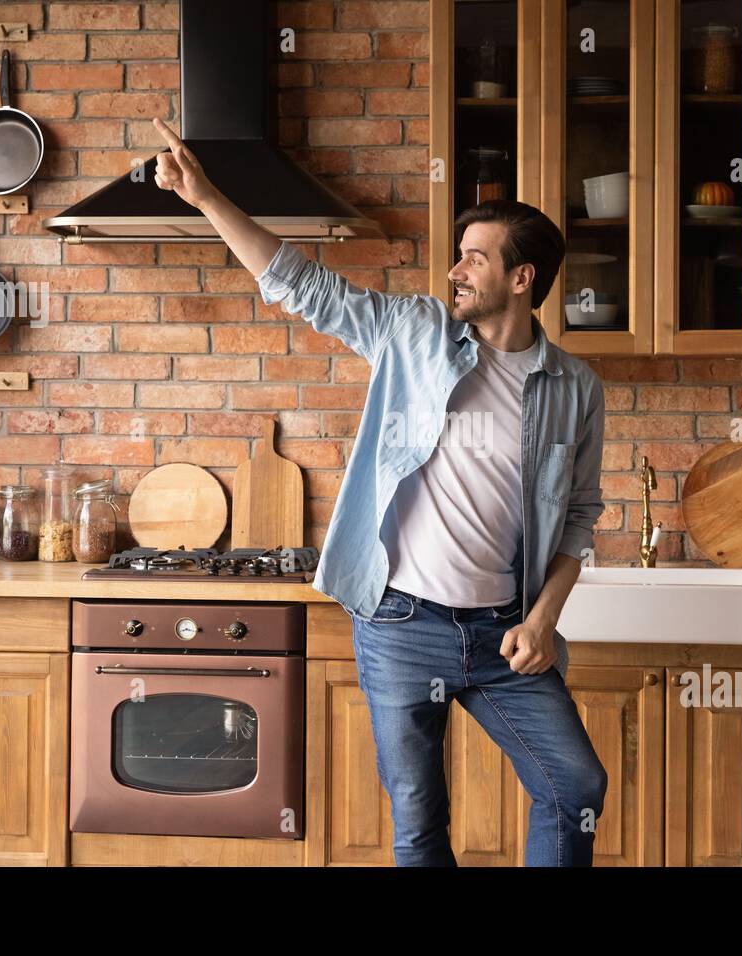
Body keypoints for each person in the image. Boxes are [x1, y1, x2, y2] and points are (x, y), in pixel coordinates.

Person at [151, 119, 608, 866]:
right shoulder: (413, 332)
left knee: (575, 784)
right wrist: (203, 197)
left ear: (522, 279)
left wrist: (544, 616)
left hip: (504, 634)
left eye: (475, 259)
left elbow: (578, 518)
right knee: (419, 826)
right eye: (458, 256)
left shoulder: (574, 388)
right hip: (402, 624)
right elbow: (302, 285)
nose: (455, 270)